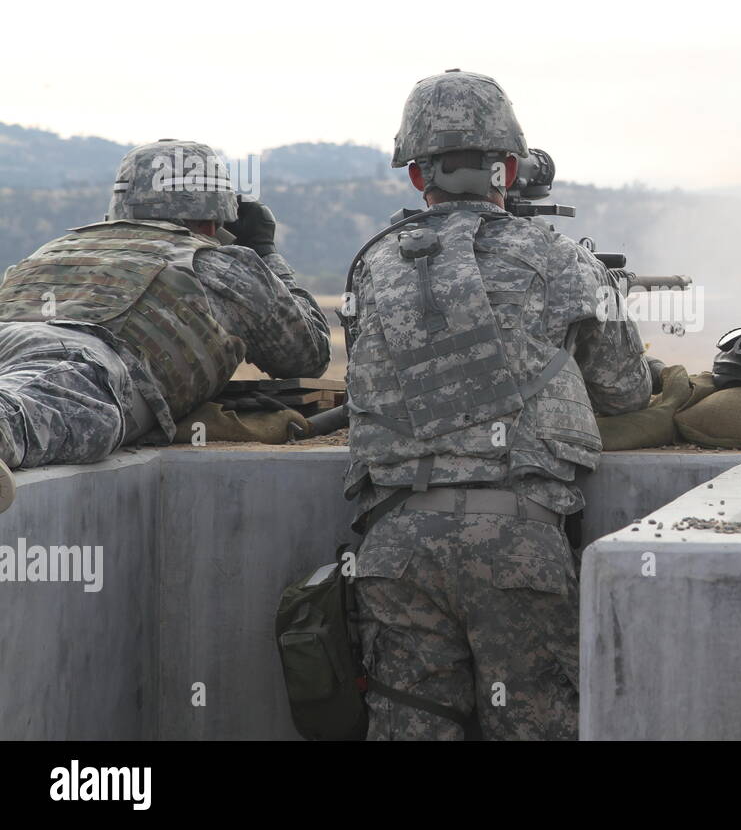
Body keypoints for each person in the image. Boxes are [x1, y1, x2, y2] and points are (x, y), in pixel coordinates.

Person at [346, 70, 651, 740]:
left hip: (393, 545)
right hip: (517, 540)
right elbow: (627, 390)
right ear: (508, 169)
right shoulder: (560, 255)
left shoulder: (371, 264)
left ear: (414, 177)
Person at [0, 139, 331, 508]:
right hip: (89, 363)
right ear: (216, 216)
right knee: (65, 414)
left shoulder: (55, 248)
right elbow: (308, 353)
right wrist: (266, 255)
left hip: (17, 348)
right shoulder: (222, 264)